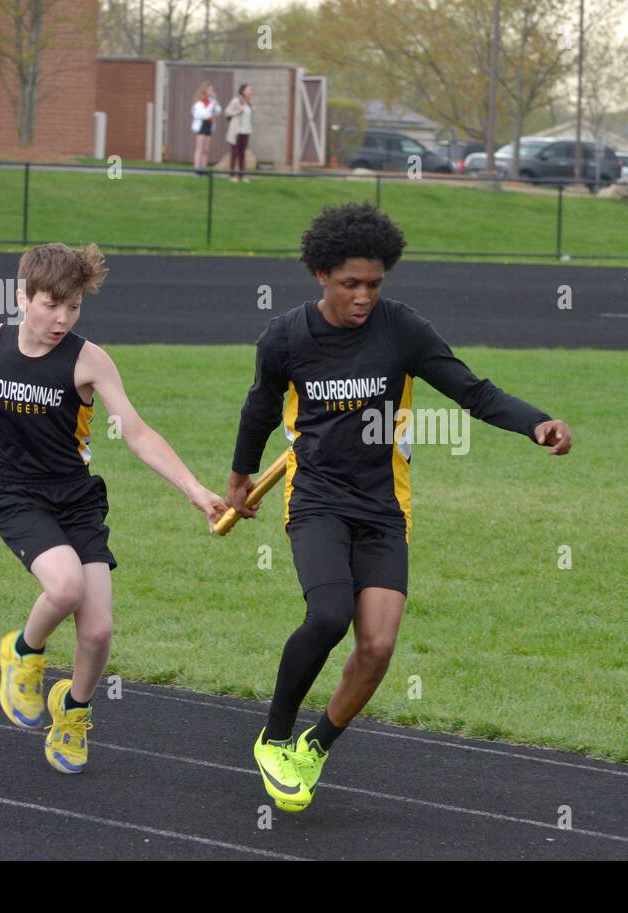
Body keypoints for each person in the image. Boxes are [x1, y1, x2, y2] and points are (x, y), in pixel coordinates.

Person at [229, 203, 573, 812]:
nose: (363, 296)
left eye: (374, 284)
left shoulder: (401, 329)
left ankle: (315, 745)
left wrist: (536, 423)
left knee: (379, 646)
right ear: (321, 276)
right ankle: (273, 736)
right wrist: (239, 478)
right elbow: (260, 407)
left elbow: (473, 391)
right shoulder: (284, 336)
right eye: (350, 284)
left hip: (385, 505)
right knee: (330, 616)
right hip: (316, 499)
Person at [0, 243, 226, 774]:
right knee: (64, 587)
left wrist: (194, 489)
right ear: (22, 298)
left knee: (99, 630)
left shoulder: (89, 360)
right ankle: (23, 651)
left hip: (76, 497)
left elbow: (136, 431)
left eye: (74, 306)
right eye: (50, 305)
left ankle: (74, 713)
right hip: (15, 492)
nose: (62, 318)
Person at [224, 83, 253, 182]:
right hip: (236, 131)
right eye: (248, 89)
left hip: (246, 131)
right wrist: (237, 111)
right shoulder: (236, 101)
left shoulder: (249, 102)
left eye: (250, 89)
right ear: (243, 91)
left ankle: (242, 175)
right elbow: (227, 112)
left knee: (242, 154)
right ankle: (232, 176)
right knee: (234, 153)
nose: (250, 91)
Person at [191, 83, 222, 174]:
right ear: (205, 91)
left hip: (209, 125)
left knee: (206, 149)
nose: (212, 92)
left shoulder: (212, 101)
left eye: (212, 90)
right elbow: (204, 115)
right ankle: (197, 169)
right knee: (199, 148)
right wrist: (211, 105)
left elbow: (218, 111)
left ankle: (203, 169)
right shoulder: (199, 103)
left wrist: (215, 102)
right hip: (201, 125)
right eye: (210, 90)